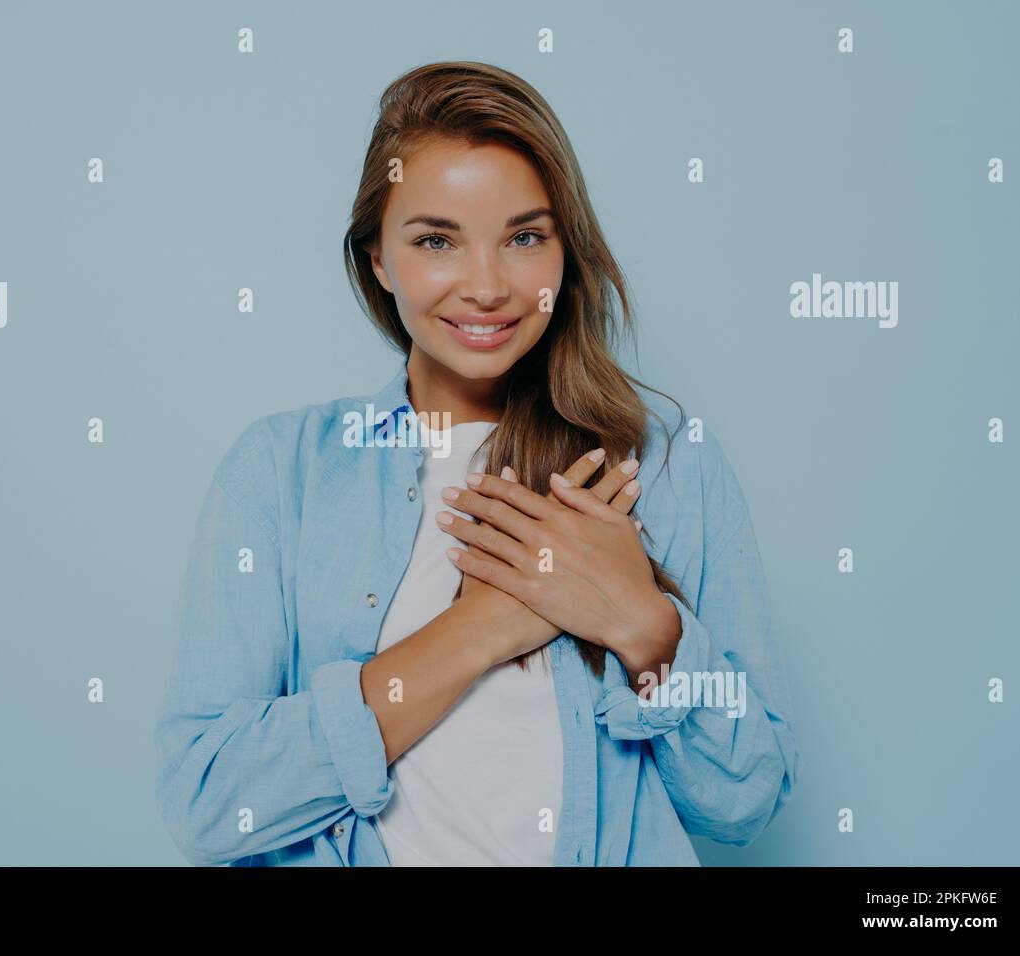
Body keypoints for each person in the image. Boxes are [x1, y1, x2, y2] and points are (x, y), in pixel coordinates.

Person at [155, 60, 799, 866]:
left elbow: (744, 803)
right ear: (379, 261)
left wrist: (643, 626)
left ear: (567, 255)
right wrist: (488, 623)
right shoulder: (281, 474)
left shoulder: (667, 467)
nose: (488, 286)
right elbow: (214, 806)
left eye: (525, 237)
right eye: (436, 240)